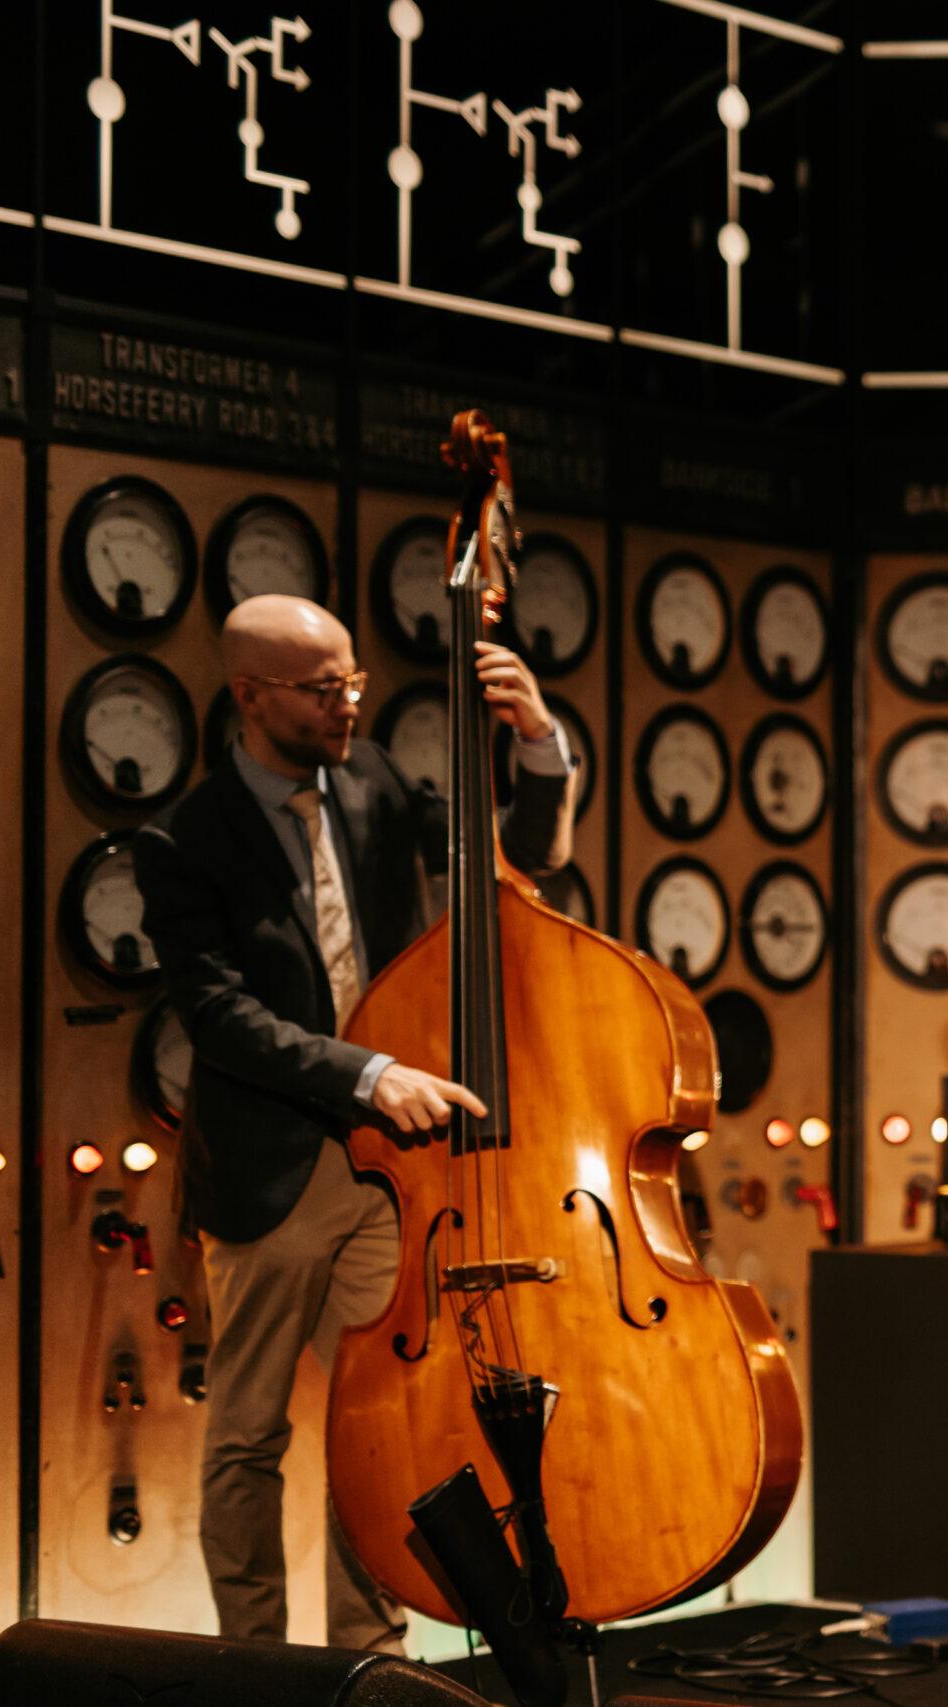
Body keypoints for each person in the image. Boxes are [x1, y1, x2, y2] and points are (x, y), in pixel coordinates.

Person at [132, 593, 575, 1650]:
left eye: (354, 683)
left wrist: (539, 744)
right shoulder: (181, 837)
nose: (347, 704)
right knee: (247, 1436)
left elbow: (511, 861)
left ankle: (364, 1656)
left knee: (380, 1425)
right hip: (274, 1168)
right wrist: (369, 1073)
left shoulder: (370, 778)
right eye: (324, 688)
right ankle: (252, 1659)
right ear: (251, 694)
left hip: (387, 1172)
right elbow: (221, 1016)